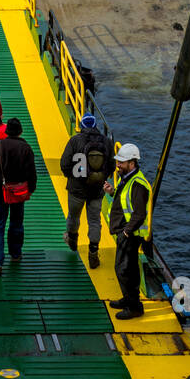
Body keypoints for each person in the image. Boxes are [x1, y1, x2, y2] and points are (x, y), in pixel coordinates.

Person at [0, 118, 37, 276]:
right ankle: (16, 253)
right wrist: (30, 189)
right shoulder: (25, 148)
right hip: (18, 192)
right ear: (20, 131)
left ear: (6, 132)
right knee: (16, 223)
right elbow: (31, 173)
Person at [102, 143, 152, 320]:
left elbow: (139, 214)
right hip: (125, 232)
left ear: (132, 163)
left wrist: (126, 232)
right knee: (127, 269)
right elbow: (126, 202)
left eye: (121, 163)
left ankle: (134, 307)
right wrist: (112, 192)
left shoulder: (138, 184)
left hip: (130, 235)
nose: (118, 165)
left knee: (124, 270)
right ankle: (128, 299)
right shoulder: (128, 178)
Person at [59, 113, 115, 268]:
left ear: (82, 126)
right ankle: (93, 253)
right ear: (95, 126)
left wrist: (73, 177)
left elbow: (64, 164)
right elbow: (111, 165)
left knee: (73, 216)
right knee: (95, 221)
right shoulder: (107, 142)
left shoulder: (75, 141)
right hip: (97, 190)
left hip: (77, 189)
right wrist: (101, 178)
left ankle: (72, 240)